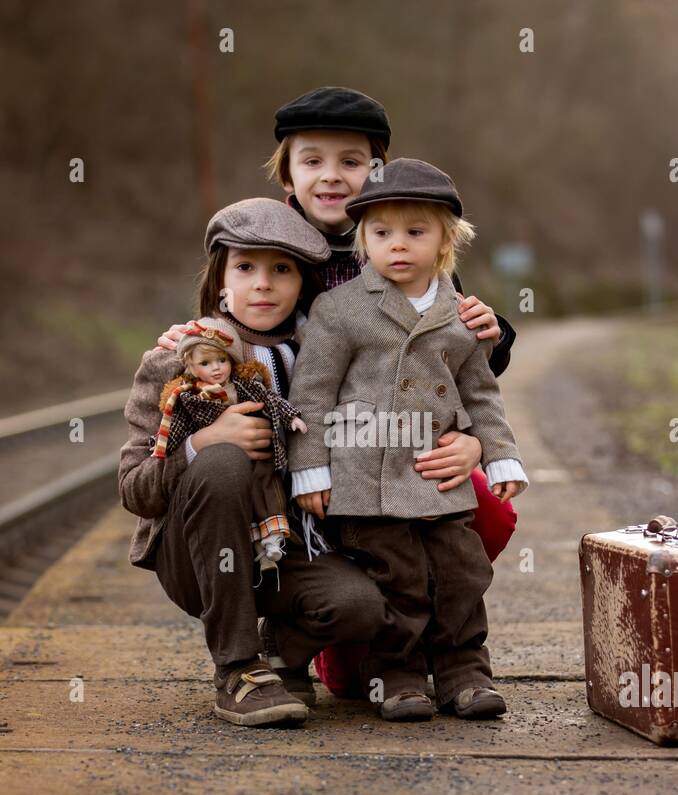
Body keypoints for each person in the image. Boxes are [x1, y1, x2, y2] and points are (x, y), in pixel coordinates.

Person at [154, 87, 519, 699]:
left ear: (375, 170)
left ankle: (433, 643)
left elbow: (454, 365)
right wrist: (192, 343)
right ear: (287, 174)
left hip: (384, 450)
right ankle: (312, 642)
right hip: (296, 467)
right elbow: (226, 316)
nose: (331, 176)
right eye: (312, 161)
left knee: (484, 506)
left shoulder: (404, 239)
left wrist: (476, 434)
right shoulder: (268, 242)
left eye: (351, 162)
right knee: (350, 591)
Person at [119, 197, 400, 727]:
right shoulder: (176, 361)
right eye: (245, 267)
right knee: (224, 460)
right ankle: (237, 667)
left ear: (303, 284)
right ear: (220, 279)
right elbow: (135, 490)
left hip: (287, 549)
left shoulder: (323, 358)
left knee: (359, 607)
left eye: (282, 270)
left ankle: (279, 651)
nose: (263, 284)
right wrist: (200, 445)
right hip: (196, 557)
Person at [288, 158, 527, 721]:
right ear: (363, 240)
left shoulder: (459, 314)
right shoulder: (339, 310)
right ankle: (396, 676)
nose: (397, 246)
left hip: (435, 475)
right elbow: (313, 395)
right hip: (365, 480)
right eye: (380, 233)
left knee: (461, 570)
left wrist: (500, 454)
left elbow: (481, 394)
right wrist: (310, 470)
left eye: (415, 233)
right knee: (397, 579)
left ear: (446, 241)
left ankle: (464, 671)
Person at [155, 317, 306, 573]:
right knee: (233, 484)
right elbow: (175, 426)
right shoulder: (188, 397)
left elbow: (269, 400)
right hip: (218, 466)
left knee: (266, 483)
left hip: (258, 456)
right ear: (191, 367)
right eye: (205, 363)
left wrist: (291, 416)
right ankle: (249, 547)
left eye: (222, 360)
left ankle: (272, 539)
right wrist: (170, 445)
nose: (216, 369)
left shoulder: (244, 386)